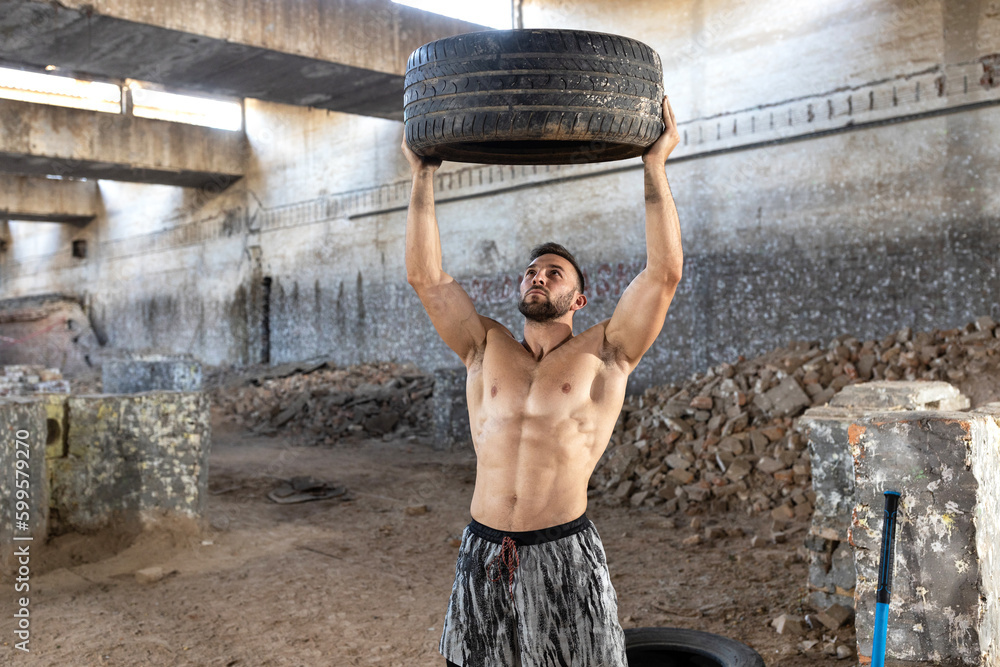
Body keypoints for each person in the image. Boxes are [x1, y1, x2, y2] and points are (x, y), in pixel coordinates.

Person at [402, 96, 682, 667]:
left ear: (577, 298)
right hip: (484, 546)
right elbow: (427, 279)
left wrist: (654, 166)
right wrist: (422, 174)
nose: (538, 276)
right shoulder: (485, 347)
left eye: (554, 273)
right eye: (532, 270)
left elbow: (664, 274)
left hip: (562, 549)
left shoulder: (607, 351)